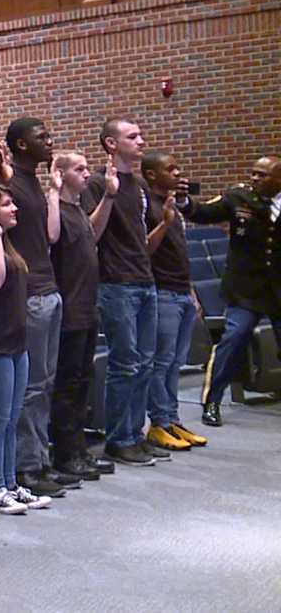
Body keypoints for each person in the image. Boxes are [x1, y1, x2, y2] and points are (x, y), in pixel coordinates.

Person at [85, 118, 166, 465]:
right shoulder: (98, 184)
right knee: (124, 364)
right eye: (133, 136)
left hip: (144, 280)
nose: (141, 141)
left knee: (146, 364)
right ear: (111, 144)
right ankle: (119, 439)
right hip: (116, 283)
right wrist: (109, 194)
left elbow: (139, 239)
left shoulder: (141, 186)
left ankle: (135, 433)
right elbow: (91, 234)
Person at [177, 155, 281, 426]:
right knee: (234, 338)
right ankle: (212, 400)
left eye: (263, 175)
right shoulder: (238, 197)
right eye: (254, 173)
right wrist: (184, 202)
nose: (255, 178)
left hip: (278, 290)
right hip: (246, 289)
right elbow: (202, 212)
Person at [0, 184, 52, 514]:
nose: (14, 208)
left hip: (17, 344)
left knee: (12, 418)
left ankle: (11, 483)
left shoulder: (7, 244)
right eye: (5, 205)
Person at [3, 117, 75, 498]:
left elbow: (49, 234)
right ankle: (27, 466)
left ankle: (40, 459)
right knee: (31, 387)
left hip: (50, 289)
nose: (50, 141)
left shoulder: (33, 181)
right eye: (41, 137)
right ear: (19, 144)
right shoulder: (9, 182)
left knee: (45, 384)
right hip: (29, 294)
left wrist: (53, 192)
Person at [48, 152, 116, 479]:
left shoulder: (76, 211)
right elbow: (52, 237)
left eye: (88, 168)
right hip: (69, 311)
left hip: (88, 308)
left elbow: (93, 231)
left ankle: (79, 450)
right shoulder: (57, 211)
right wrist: (52, 189)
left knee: (83, 383)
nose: (87, 174)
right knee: (68, 384)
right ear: (60, 174)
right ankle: (65, 453)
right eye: (79, 169)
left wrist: (109, 196)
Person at [141, 151, 207, 449]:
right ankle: (158, 423)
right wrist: (165, 223)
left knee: (176, 362)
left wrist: (192, 292)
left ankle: (172, 418)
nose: (178, 174)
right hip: (162, 292)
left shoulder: (172, 206)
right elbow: (143, 251)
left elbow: (180, 253)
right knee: (161, 361)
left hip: (181, 292)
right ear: (152, 175)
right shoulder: (147, 207)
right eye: (171, 169)